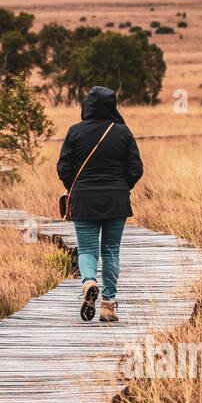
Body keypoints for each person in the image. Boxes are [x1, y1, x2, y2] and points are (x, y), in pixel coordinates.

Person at [56, 86, 143, 322]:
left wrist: (74, 186)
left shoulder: (75, 132)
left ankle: (88, 283)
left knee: (87, 249)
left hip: (84, 200)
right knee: (111, 250)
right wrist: (122, 187)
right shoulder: (123, 132)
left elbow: (63, 168)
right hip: (116, 200)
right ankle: (108, 305)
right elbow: (136, 169)